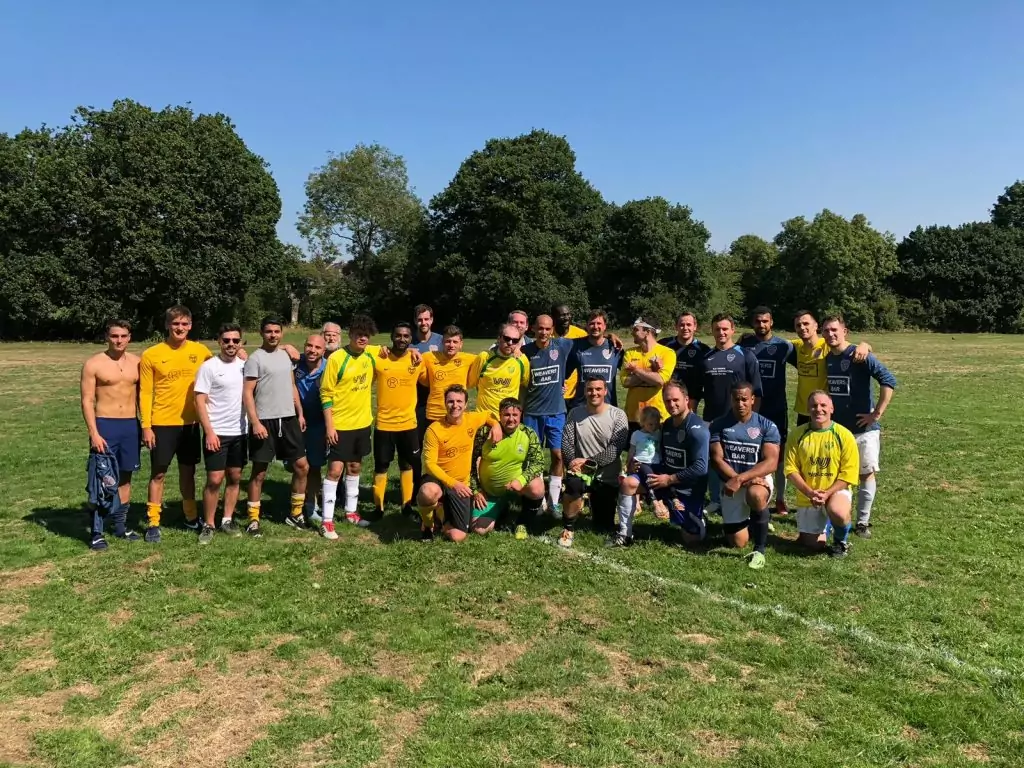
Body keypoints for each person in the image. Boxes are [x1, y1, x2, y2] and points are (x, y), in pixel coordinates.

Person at [139, 306, 213, 543]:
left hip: (191, 423)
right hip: (162, 423)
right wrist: (146, 426)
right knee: (159, 473)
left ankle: (190, 517)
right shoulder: (152, 354)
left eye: (184, 324)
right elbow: (146, 392)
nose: (180, 328)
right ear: (167, 326)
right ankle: (153, 522)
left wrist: (241, 353)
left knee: (188, 472)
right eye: (175, 324)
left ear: (190, 325)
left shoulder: (200, 351)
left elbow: (221, 366)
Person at [822, 315, 897, 539]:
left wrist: (876, 414)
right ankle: (833, 518)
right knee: (835, 476)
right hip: (837, 430)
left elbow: (888, 380)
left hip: (864, 430)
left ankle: (863, 522)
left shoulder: (860, 355)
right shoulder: (828, 358)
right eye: (826, 331)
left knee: (866, 475)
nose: (830, 334)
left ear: (845, 331)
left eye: (834, 329)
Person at [615, 382, 709, 546]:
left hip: (687, 488)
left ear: (686, 399)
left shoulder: (697, 429)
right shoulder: (665, 426)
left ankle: (698, 516)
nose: (671, 404)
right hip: (664, 481)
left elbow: (701, 468)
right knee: (628, 483)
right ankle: (625, 533)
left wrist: (670, 479)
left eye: (675, 400)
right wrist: (632, 464)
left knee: (692, 538)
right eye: (667, 401)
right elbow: (651, 451)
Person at [243, 316, 309, 537]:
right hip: (265, 422)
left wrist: (299, 413)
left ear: (282, 333)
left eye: (276, 331)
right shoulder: (255, 359)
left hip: (288, 419)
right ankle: (253, 519)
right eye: (269, 331)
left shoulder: (285, 356)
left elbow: (291, 386)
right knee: (259, 472)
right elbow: (247, 394)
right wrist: (255, 422)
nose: (273, 335)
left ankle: (296, 514)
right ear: (262, 333)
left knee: (302, 466)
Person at [80, 319, 142, 548]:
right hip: (105, 425)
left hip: (129, 425)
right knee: (103, 478)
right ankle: (96, 531)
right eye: (115, 336)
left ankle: (120, 526)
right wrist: (93, 432)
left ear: (129, 337)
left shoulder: (137, 363)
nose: (119, 340)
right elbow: (87, 400)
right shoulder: (94, 364)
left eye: (123, 336)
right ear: (107, 337)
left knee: (125, 477)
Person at [320, 314, 382, 537]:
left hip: (362, 423)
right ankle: (327, 520)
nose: (362, 339)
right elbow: (325, 393)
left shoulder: (372, 355)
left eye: (366, 335)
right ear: (351, 335)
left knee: (355, 468)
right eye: (358, 334)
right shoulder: (337, 358)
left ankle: (351, 512)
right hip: (340, 425)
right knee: (335, 470)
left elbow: (392, 352)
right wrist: (330, 426)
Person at [709, 382, 781, 570]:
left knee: (756, 495)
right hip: (732, 483)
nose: (740, 403)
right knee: (737, 542)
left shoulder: (766, 425)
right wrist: (736, 479)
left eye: (744, 399)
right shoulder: (718, 424)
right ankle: (754, 521)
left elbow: (771, 462)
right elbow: (717, 459)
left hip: (757, 482)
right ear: (731, 400)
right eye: (736, 399)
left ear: (752, 400)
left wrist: (742, 479)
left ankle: (760, 549)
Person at [417, 385, 501, 542]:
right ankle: (427, 524)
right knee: (427, 492)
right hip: (441, 480)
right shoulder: (434, 430)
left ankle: (441, 515)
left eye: (459, 401)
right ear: (444, 403)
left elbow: (489, 414)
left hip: (462, 484)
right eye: (450, 401)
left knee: (458, 537)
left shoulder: (471, 419)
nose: (455, 405)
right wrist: (452, 483)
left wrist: (496, 425)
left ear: (466, 404)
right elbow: (429, 464)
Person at [698, 313, 762, 514]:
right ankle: (715, 499)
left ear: (733, 330)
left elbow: (757, 391)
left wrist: (753, 419)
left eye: (725, 329)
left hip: (740, 419)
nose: (721, 333)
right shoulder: (706, 357)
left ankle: (746, 496)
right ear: (712, 331)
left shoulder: (746, 355)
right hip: (712, 418)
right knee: (714, 459)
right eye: (717, 329)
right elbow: (699, 391)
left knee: (741, 457)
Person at [558, 376, 630, 548]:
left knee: (602, 527)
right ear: (585, 391)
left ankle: (592, 502)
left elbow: (614, 450)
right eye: (590, 389)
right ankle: (568, 527)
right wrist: (573, 463)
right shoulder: (575, 413)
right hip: (581, 473)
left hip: (607, 475)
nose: (594, 393)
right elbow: (566, 442)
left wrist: (588, 463)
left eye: (598, 389)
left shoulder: (618, 415)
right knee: (573, 484)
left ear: (605, 391)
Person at [785, 391, 859, 557]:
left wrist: (826, 494)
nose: (818, 409)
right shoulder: (797, 435)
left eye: (823, 405)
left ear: (832, 408)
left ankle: (840, 541)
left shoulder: (844, 435)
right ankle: (825, 525)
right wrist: (810, 492)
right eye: (814, 405)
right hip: (808, 496)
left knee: (838, 512)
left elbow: (848, 475)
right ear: (807, 409)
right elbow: (790, 470)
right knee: (813, 546)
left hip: (834, 492)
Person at [194, 323, 248, 544]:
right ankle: (208, 524)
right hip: (217, 432)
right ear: (219, 341)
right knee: (215, 479)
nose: (231, 344)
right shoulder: (209, 367)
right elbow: (199, 400)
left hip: (240, 432)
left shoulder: (246, 366)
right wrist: (209, 432)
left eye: (235, 340)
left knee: (234, 477)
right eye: (226, 340)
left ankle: (227, 518)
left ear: (241, 342)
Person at [740, 307, 795, 515]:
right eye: (757, 321)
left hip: (777, 408)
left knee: (778, 456)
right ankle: (751, 491)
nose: (761, 325)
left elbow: (809, 358)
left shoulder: (784, 346)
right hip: (751, 408)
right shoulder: (745, 344)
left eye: (765, 321)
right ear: (752, 323)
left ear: (771, 322)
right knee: (750, 450)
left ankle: (780, 498)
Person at [469, 397, 547, 540]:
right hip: (489, 493)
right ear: (499, 415)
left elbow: (539, 463)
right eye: (506, 415)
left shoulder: (528, 433)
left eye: (515, 415)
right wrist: (476, 490)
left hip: (516, 490)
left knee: (537, 487)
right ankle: (501, 509)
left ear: (520, 415)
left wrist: (521, 480)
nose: (511, 419)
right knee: (479, 529)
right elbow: (470, 462)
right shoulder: (485, 433)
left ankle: (523, 522)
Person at [521, 314, 573, 515]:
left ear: (552, 329)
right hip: (532, 413)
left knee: (558, 455)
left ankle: (554, 500)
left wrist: (611, 335)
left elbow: (588, 341)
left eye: (547, 328)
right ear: (533, 328)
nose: (543, 332)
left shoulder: (562, 346)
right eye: (540, 328)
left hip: (556, 412)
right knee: (532, 458)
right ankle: (538, 497)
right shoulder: (525, 351)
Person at [372, 322, 424, 517]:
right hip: (384, 424)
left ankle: (407, 506)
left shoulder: (417, 360)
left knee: (407, 464)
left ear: (411, 339)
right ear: (391, 337)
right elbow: (363, 347)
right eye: (398, 335)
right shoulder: (379, 357)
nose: (402, 339)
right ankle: (379, 507)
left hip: (408, 424)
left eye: (406, 336)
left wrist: (414, 351)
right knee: (381, 466)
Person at [788, 310, 871, 426]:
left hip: (823, 409)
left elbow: (851, 348)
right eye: (798, 325)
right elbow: (774, 342)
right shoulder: (796, 346)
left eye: (806, 324)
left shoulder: (827, 344)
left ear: (816, 326)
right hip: (803, 410)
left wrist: (865, 345)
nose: (802, 327)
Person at [613, 406, 663, 542]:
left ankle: (663, 502)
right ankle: (655, 502)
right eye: (650, 424)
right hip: (641, 463)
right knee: (645, 474)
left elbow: (660, 450)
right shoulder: (637, 434)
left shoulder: (658, 433)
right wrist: (628, 464)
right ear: (642, 422)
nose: (653, 427)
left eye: (656, 424)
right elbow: (631, 450)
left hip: (655, 464)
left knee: (653, 474)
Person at [418, 325, 479, 434]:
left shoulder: (470, 359)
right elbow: (408, 357)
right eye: (448, 341)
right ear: (442, 342)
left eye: (455, 342)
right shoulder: (428, 357)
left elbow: (489, 358)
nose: (451, 345)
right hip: (434, 413)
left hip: (457, 413)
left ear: (461, 344)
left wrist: (517, 349)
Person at [620, 317, 677, 430]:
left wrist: (636, 371)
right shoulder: (630, 353)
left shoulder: (667, 353)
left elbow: (661, 380)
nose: (632, 333)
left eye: (636, 329)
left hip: (657, 417)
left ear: (647, 332)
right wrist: (652, 371)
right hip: (634, 417)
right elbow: (625, 382)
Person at [294, 335, 328, 522]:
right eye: (309, 345)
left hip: (319, 424)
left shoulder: (329, 367)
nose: (312, 350)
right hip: (297, 422)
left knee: (314, 466)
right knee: (298, 465)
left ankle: (311, 506)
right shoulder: (296, 362)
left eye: (317, 347)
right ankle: (296, 504)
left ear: (324, 351)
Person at [565, 310, 624, 408]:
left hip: (608, 408)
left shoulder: (615, 347)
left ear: (605, 326)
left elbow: (628, 373)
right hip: (582, 408)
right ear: (587, 326)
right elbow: (564, 374)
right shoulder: (576, 346)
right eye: (592, 323)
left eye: (599, 323)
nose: (595, 327)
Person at [470, 323, 530, 418]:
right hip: (484, 418)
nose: (510, 343)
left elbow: (525, 383)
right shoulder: (484, 357)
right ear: (498, 338)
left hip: (509, 420)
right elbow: (472, 383)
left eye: (515, 340)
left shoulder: (522, 361)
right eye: (506, 338)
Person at [659, 310, 711, 414]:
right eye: (682, 325)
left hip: (692, 397)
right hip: (667, 395)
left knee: (686, 424)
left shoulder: (703, 350)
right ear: (676, 327)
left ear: (695, 327)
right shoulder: (664, 345)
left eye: (689, 324)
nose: (685, 328)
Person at [551, 303, 588, 412]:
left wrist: (610, 336)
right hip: (554, 392)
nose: (566, 318)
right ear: (553, 317)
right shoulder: (548, 334)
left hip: (576, 393)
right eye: (562, 315)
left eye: (568, 314)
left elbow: (596, 340)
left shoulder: (580, 334)